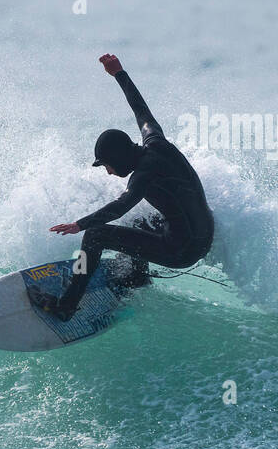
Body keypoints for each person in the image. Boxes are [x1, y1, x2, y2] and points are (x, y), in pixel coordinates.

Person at [35, 54, 214, 320]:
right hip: (203, 233)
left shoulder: (143, 175)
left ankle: (66, 305)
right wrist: (119, 73)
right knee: (141, 222)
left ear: (118, 159)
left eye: (106, 165)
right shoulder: (154, 140)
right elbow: (140, 110)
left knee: (96, 235)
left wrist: (79, 225)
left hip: (184, 250)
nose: (107, 171)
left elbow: (121, 205)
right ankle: (137, 277)